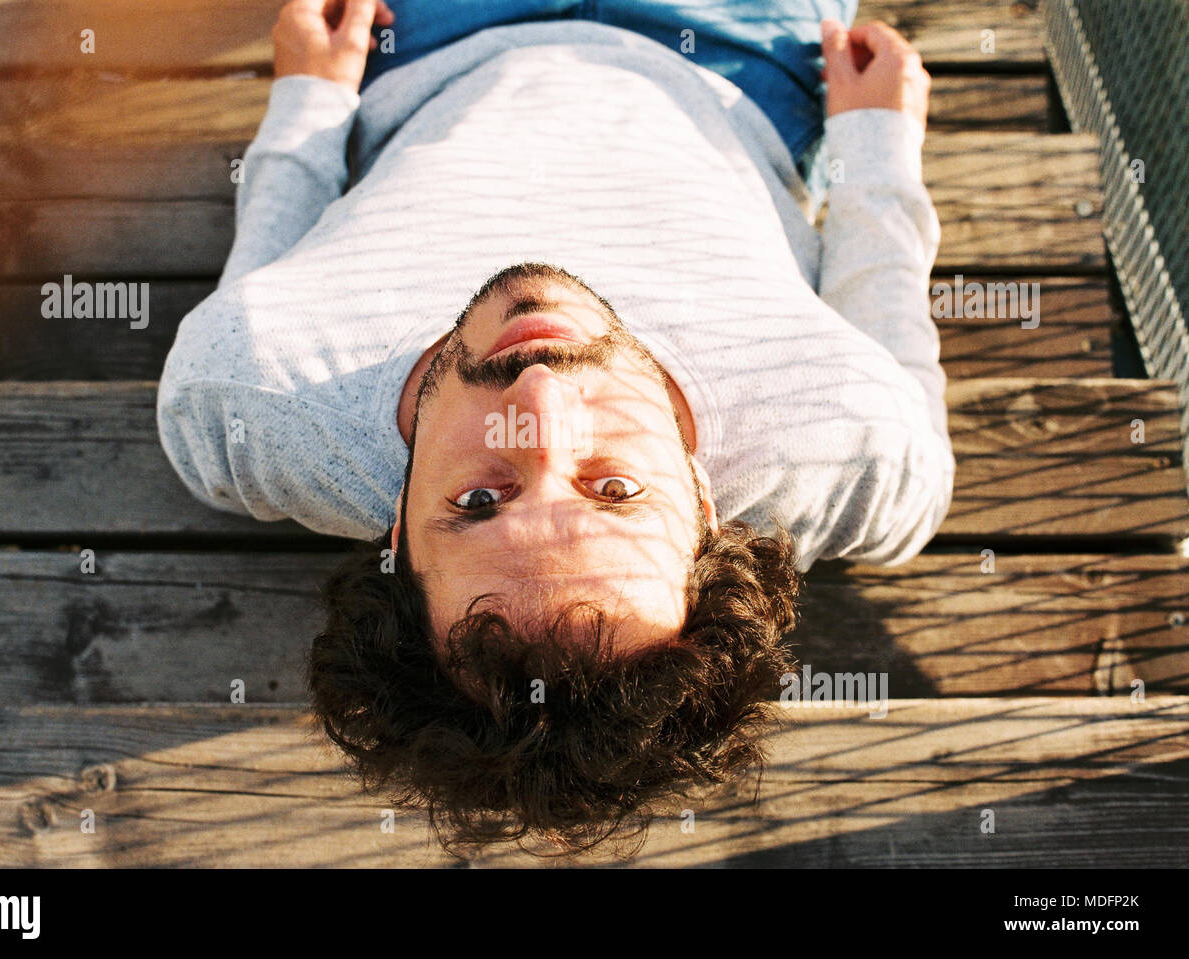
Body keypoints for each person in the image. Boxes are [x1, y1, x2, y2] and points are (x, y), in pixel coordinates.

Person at [157, 0, 953, 856]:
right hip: (732, 63)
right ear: (705, 509)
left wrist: (308, 97)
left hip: (433, 42)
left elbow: (265, 262)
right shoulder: (853, 448)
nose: (538, 396)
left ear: (394, 530)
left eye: (476, 499)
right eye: (614, 489)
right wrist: (877, 143)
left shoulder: (244, 400)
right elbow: (897, 350)